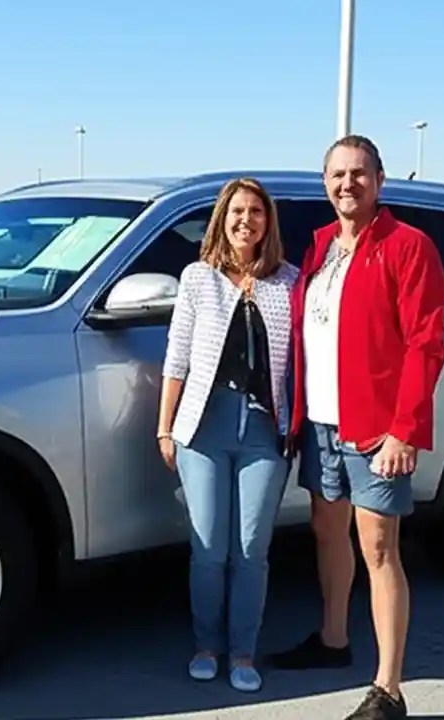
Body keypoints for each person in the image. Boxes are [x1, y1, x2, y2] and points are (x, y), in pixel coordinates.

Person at [266, 135, 444, 720]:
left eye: (360, 173)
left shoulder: (407, 246)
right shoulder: (320, 248)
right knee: (327, 532)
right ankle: (333, 639)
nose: (349, 184)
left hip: (374, 431)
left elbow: (426, 345)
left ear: (380, 180)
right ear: (325, 183)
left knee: (379, 549)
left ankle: (388, 689)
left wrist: (404, 430)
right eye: (338, 174)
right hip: (320, 423)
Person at [157, 177, 299, 693]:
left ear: (268, 222)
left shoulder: (288, 282)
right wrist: (164, 428)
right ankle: (206, 645)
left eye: (256, 212)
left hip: (264, 430)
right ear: (223, 218)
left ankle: (243, 653)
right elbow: (178, 357)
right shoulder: (199, 278)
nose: (246, 220)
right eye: (237, 211)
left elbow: (303, 360)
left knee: (250, 548)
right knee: (209, 546)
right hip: (202, 428)